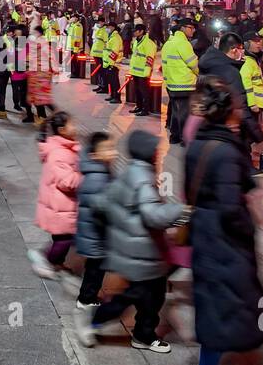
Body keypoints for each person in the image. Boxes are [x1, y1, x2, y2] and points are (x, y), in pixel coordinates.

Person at [183, 78, 263, 365]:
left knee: (217, 307)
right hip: (223, 242)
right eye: (237, 109)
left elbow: (195, 189)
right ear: (228, 114)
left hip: (205, 235)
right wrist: (252, 221)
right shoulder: (225, 150)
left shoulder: (200, 144)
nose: (241, 114)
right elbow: (229, 207)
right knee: (232, 305)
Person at [75, 130, 190, 352]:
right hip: (141, 256)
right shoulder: (143, 178)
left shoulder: (131, 171)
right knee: (133, 297)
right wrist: (182, 211)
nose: (160, 153)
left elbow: (103, 201)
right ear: (149, 153)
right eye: (157, 150)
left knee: (153, 297)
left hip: (142, 253)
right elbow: (152, 215)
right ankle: (94, 321)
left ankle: (143, 335)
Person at [28, 111, 83, 281]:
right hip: (60, 205)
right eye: (71, 124)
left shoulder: (66, 148)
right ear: (62, 130)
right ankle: (46, 259)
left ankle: (56, 261)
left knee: (64, 237)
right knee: (65, 239)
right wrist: (85, 177)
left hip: (62, 205)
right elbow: (66, 182)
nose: (75, 127)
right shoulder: (60, 153)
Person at [71, 130, 114, 312]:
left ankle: (88, 295)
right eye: (107, 149)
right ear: (94, 154)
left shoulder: (97, 171)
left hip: (93, 234)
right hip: (96, 235)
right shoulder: (98, 178)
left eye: (112, 148)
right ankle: (86, 299)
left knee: (94, 268)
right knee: (95, 270)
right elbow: (101, 208)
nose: (113, 152)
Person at [160, 18, 199, 144]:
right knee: (185, 113)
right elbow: (194, 64)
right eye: (191, 28)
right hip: (185, 84)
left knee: (176, 112)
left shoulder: (169, 43)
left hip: (172, 84)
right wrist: (200, 74)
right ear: (182, 28)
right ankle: (184, 138)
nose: (193, 31)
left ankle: (174, 136)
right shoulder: (183, 43)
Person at [127, 22, 157, 115]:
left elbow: (150, 58)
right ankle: (138, 106)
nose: (134, 33)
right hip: (136, 71)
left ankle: (145, 109)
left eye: (136, 31)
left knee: (144, 92)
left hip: (143, 72)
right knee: (137, 91)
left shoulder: (148, 43)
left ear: (141, 31)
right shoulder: (136, 41)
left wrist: (147, 72)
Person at [101, 19, 124, 104]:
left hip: (113, 63)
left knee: (115, 81)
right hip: (109, 63)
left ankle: (117, 97)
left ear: (113, 27)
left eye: (108, 27)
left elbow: (115, 52)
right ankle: (112, 95)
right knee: (111, 81)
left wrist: (111, 63)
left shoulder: (116, 38)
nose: (107, 28)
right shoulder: (111, 36)